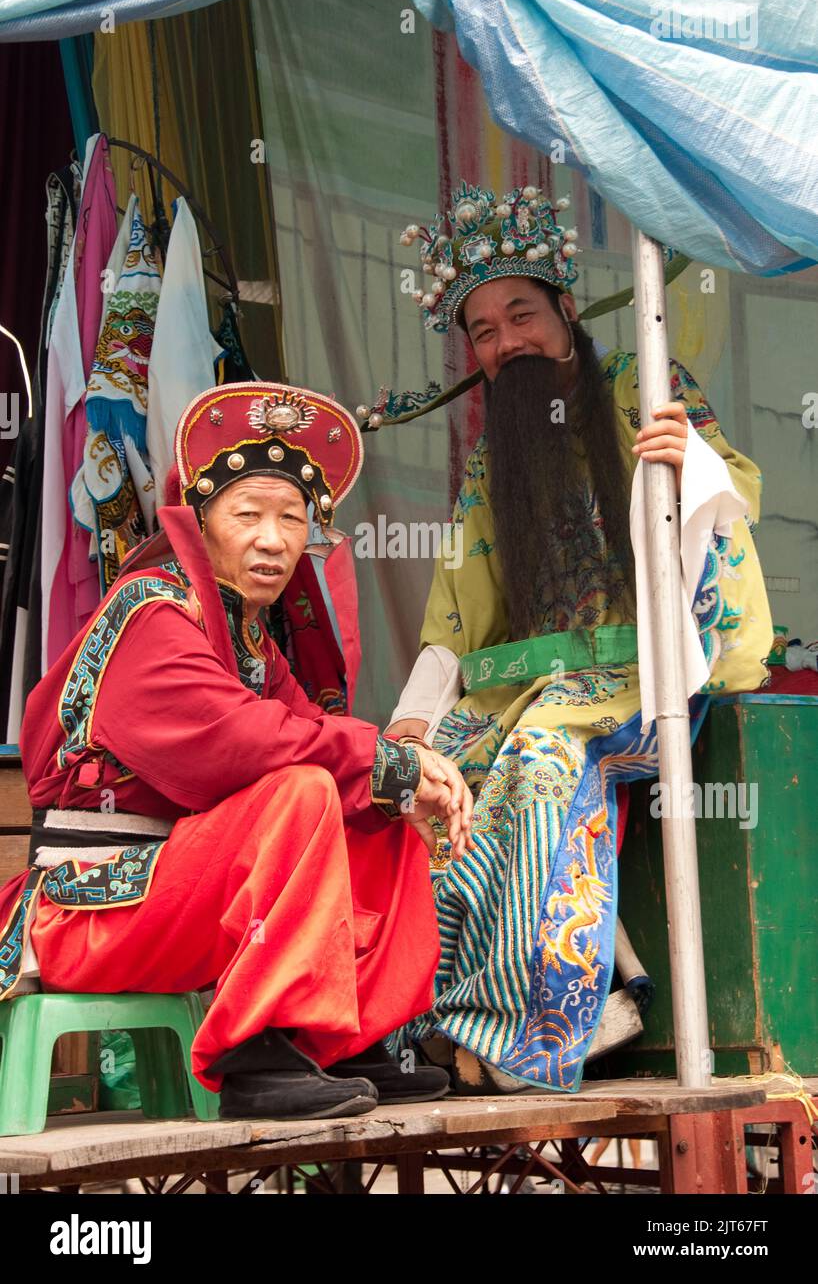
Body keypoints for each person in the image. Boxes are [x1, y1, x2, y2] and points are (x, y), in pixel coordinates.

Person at [387, 183, 773, 1094]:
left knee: (543, 755)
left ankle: (550, 1015)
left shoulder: (644, 383)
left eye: (520, 314)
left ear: (565, 310)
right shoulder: (493, 455)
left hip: (658, 672)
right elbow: (457, 611)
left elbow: (736, 496)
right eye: (483, 331)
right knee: (439, 771)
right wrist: (409, 728)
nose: (505, 341)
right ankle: (444, 1016)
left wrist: (691, 463)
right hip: (540, 686)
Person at [0, 381, 475, 1121]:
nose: (273, 539)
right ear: (200, 522)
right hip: (88, 910)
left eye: (292, 519)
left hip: (169, 895)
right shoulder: (151, 613)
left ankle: (334, 1038)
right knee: (308, 789)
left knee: (379, 809)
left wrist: (399, 780)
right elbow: (239, 744)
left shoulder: (249, 639)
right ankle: (253, 1050)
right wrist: (390, 757)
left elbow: (317, 742)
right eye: (247, 514)